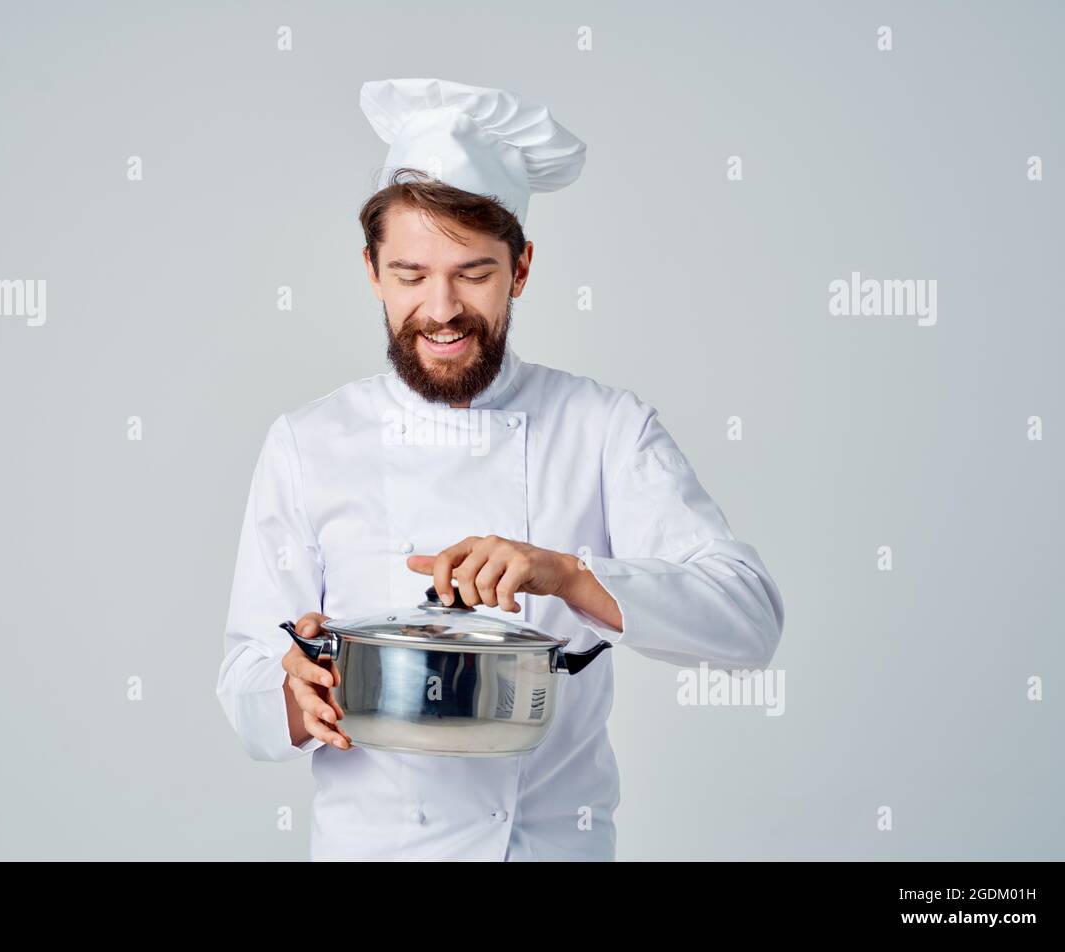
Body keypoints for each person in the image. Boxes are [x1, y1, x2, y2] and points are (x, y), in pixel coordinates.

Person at [217, 77, 785, 861]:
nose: (441, 308)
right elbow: (245, 674)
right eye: (411, 275)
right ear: (373, 272)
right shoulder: (309, 442)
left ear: (520, 270)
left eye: (473, 273)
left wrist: (566, 576)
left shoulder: (605, 427)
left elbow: (750, 620)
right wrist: (294, 693)